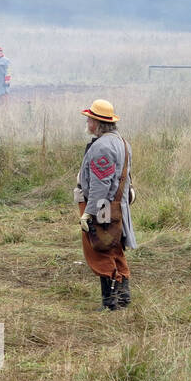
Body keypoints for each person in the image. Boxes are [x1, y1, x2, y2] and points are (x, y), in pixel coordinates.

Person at [75, 99, 136, 311]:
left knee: (99, 250)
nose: (88, 122)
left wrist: (89, 215)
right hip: (117, 206)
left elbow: (101, 186)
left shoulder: (101, 146)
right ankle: (123, 296)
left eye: (90, 118)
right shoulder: (122, 142)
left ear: (96, 123)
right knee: (115, 248)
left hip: (101, 206)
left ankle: (110, 302)